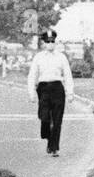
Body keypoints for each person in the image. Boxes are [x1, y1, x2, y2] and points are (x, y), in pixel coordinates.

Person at [27, 29, 73, 157]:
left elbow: (67, 75)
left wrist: (70, 92)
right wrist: (31, 92)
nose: (50, 44)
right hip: (44, 89)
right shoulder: (39, 57)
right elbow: (32, 75)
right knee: (44, 117)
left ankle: (54, 147)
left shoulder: (61, 57)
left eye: (52, 41)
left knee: (57, 120)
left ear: (55, 42)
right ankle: (48, 137)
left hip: (57, 88)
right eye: (48, 42)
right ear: (44, 43)